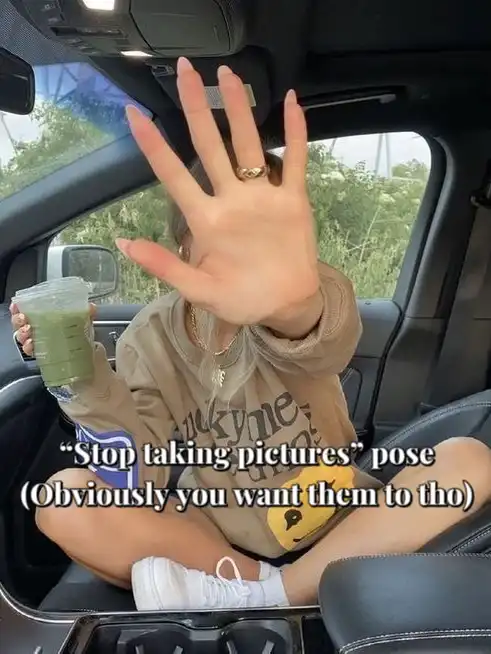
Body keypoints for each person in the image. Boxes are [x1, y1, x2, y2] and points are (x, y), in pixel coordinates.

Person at [11, 57, 491, 612]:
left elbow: (324, 339)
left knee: (470, 462)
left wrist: (292, 306)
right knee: (62, 499)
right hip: (217, 531)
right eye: (224, 232)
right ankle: (261, 585)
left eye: (266, 238)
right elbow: (145, 467)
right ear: (184, 242)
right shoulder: (151, 334)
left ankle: (272, 594)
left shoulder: (300, 298)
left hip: (335, 517)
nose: (245, 251)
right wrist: (86, 375)